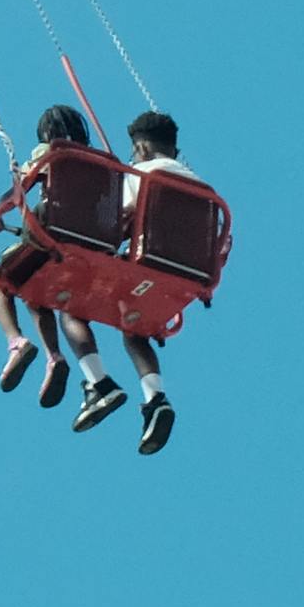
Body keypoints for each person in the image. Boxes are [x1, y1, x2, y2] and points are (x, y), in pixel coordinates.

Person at [0, 103, 140, 426]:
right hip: (95, 247)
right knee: (38, 291)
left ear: (46, 134)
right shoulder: (105, 164)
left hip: (54, 239)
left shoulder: (51, 153)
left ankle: (17, 342)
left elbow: (18, 190)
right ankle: (54, 357)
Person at [107, 110, 207, 455]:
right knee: (134, 329)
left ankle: (100, 383)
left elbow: (116, 219)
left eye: (134, 152)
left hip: (147, 264)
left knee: (81, 311)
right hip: (189, 273)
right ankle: (155, 400)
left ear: (144, 149)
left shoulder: (143, 173)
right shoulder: (201, 188)